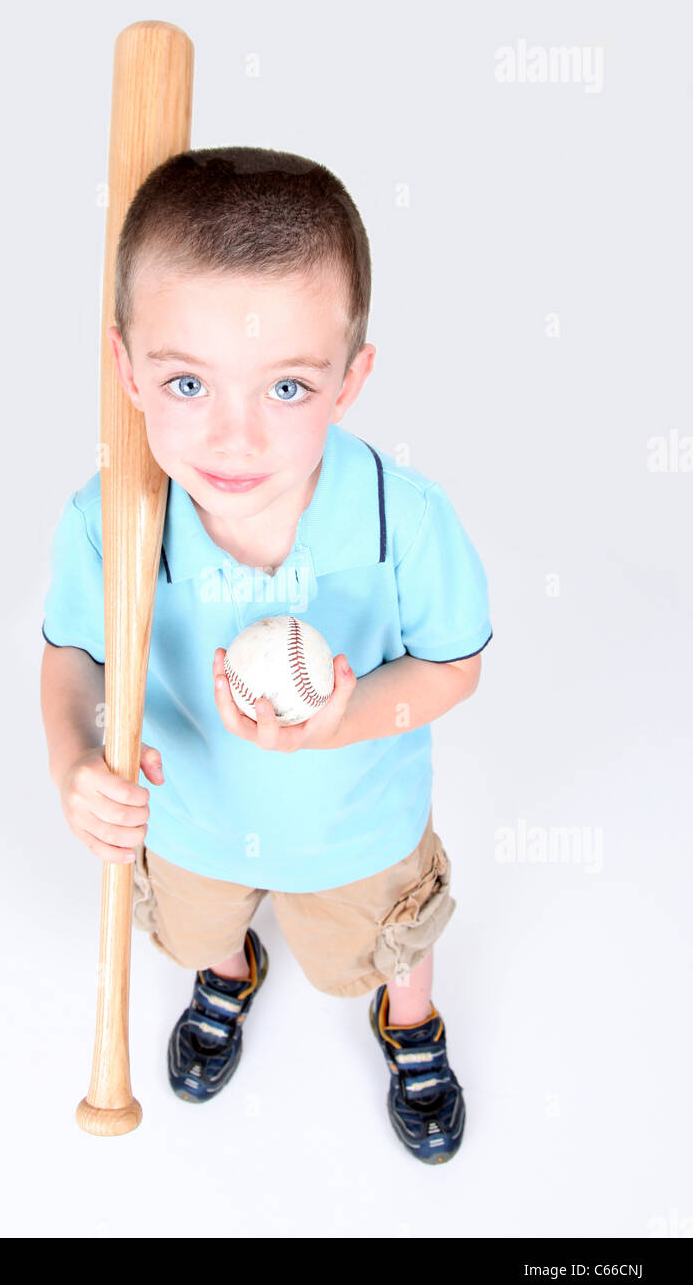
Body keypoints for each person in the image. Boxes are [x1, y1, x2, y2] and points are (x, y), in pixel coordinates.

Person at [40, 148, 492, 1164]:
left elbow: (452, 668)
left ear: (350, 378)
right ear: (124, 370)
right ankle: (228, 972)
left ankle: (409, 1024)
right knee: (197, 930)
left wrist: (351, 716)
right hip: (191, 820)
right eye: (186, 380)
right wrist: (71, 756)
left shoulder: (403, 522)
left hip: (354, 824)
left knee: (383, 946)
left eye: (285, 385)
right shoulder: (112, 520)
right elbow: (72, 657)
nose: (233, 435)